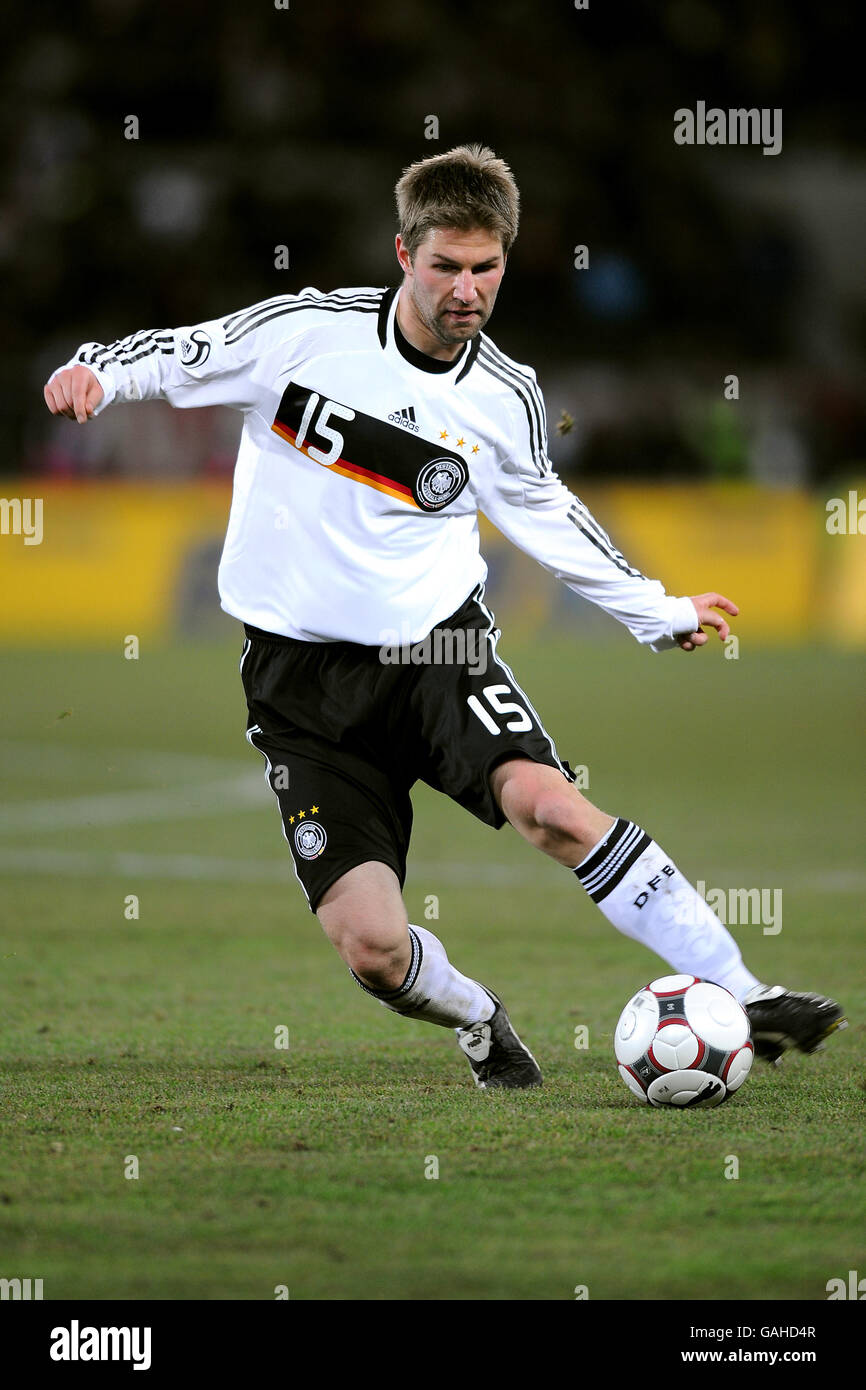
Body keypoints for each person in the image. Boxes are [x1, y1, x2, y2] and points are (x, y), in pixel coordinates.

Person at [44, 144, 845, 1090]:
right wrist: (95, 369)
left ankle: (741, 988)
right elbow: (180, 353)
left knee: (553, 810)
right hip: (300, 685)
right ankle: (477, 1014)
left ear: (507, 259)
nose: (467, 289)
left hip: (439, 649)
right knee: (374, 948)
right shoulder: (306, 335)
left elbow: (551, 516)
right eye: (446, 267)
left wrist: (657, 611)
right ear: (403, 254)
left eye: (487, 268)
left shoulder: (506, 397)